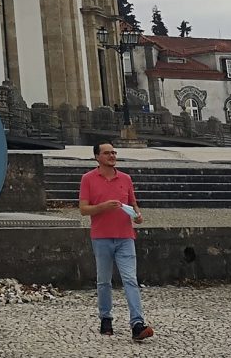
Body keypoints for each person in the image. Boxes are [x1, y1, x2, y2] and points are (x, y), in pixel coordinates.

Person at [78, 142, 154, 341]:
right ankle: (106, 319)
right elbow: (83, 209)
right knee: (104, 281)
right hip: (101, 237)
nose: (112, 156)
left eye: (114, 152)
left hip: (125, 237)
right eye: (107, 153)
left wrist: (138, 215)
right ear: (97, 157)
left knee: (130, 280)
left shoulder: (126, 178)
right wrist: (102, 207)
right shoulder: (88, 179)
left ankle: (137, 324)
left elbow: (133, 204)